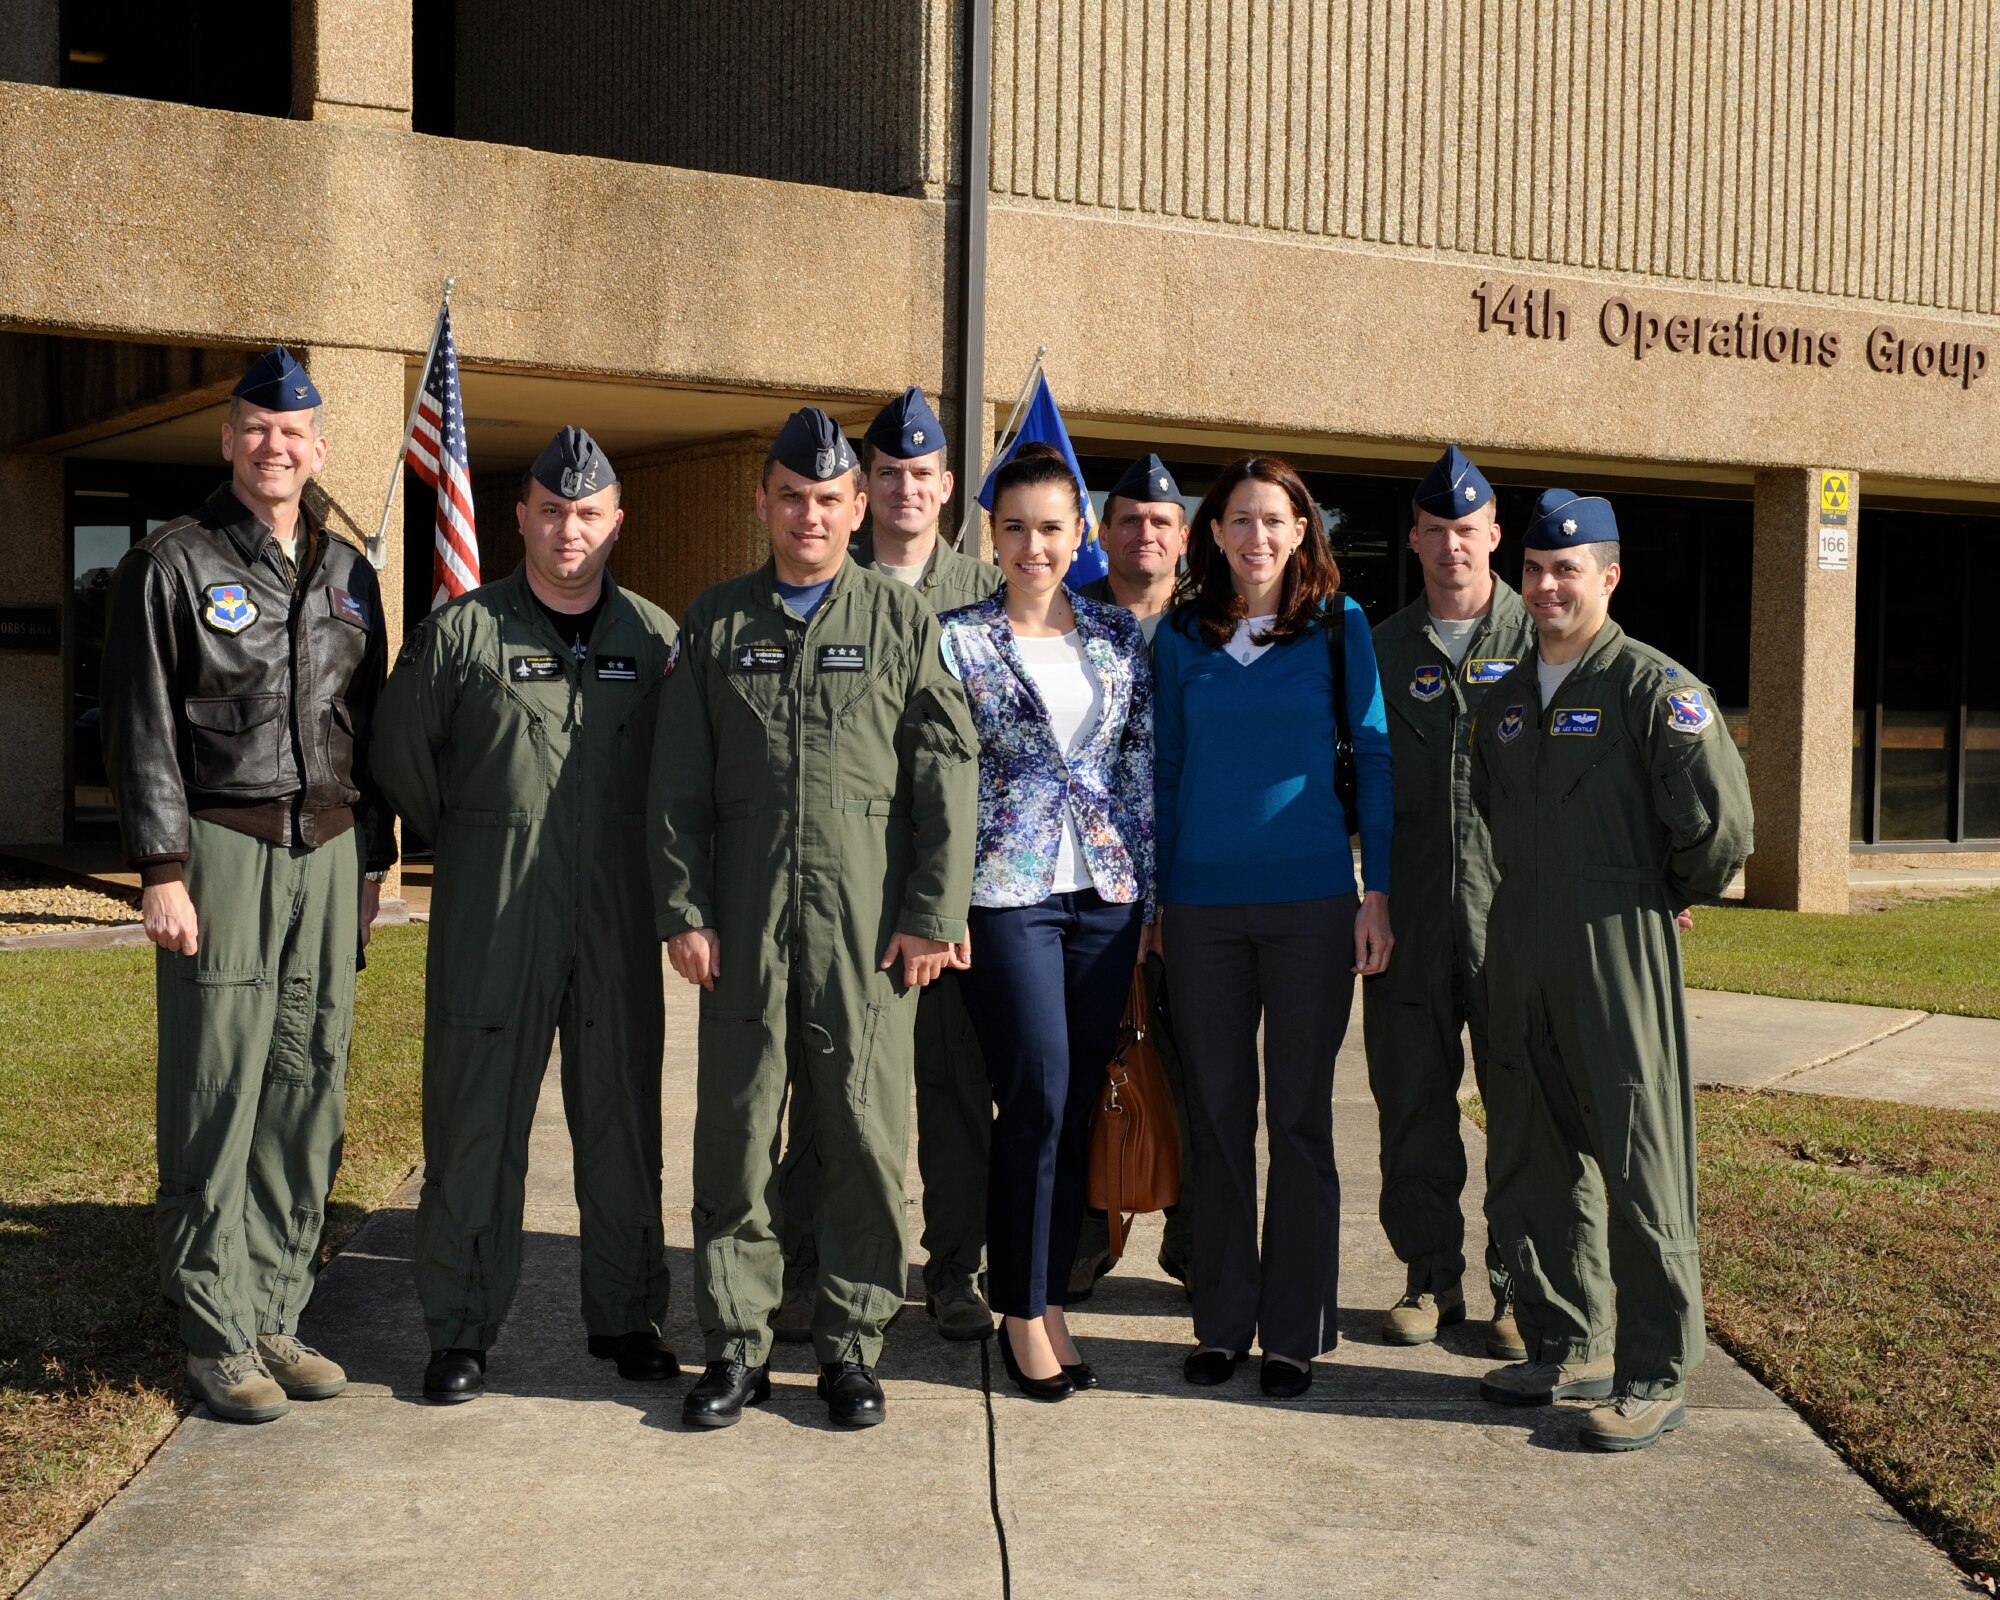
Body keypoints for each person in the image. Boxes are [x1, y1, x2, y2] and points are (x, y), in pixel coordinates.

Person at [650, 406, 977, 1430]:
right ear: (763, 504)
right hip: (743, 923)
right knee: (738, 1135)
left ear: (854, 506)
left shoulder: (896, 619)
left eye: (827, 498)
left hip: (864, 928)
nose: (808, 514)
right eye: (789, 497)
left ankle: (848, 1345)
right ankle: (737, 1346)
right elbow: (676, 785)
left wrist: (932, 911)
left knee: (864, 1139)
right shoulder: (715, 621)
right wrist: (684, 908)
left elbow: (944, 766)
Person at [100, 347, 394, 1424]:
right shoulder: (170, 563)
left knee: (305, 1081)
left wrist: (373, 858)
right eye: (256, 428)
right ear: (229, 438)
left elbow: (372, 724)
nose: (276, 446)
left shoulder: (349, 571)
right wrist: (162, 871)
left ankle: (276, 1302)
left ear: (319, 445)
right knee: (219, 1087)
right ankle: (215, 1328)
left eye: (296, 431)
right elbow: (141, 727)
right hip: (222, 847)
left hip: (327, 851)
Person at [371, 428, 679, 1404]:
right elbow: (399, 752)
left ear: (616, 521)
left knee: (623, 1119)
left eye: (587, 512)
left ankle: (627, 1314)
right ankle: (460, 1329)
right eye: (551, 509)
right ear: (520, 517)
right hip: (492, 920)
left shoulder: (656, 641)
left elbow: (685, 777)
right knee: (474, 1120)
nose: (568, 529)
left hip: (617, 923)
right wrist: (476, 837)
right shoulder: (464, 633)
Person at [1470, 489, 1752, 1451]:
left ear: (1610, 576)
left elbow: (1720, 831)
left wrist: (1648, 895)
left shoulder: (1650, 688)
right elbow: (1492, 812)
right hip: (1520, 942)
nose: (1549, 585)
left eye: (1569, 570)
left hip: (1616, 940)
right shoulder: (1505, 701)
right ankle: (1562, 1338)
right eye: (1538, 570)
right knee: (1533, 1152)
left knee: (1639, 1152)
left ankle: (1654, 1369)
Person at [1153, 454, 1394, 1400]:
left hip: (1311, 907)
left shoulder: (1340, 629)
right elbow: (1165, 771)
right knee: (1215, 1120)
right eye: (1240, 520)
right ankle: (1221, 1320)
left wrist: (1375, 892)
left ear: (1303, 533)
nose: (1257, 537)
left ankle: (1294, 1330)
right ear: (1212, 533)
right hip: (1202, 911)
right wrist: (1158, 903)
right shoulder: (1178, 635)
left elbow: (1373, 756)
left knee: (1298, 1120)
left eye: (1275, 521)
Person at [773, 386, 1001, 1346]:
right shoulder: (820, 583)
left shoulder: (987, 599)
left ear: (948, 486)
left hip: (953, 895)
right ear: (861, 488)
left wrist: (947, 903)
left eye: (922, 474)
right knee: (829, 1090)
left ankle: (955, 1270)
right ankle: (805, 1264)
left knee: (952, 1093)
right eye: (888, 474)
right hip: (845, 896)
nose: (905, 488)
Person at [937, 444, 1153, 1401]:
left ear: (1082, 537)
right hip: (1006, 892)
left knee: (1071, 1106)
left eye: (1051, 527)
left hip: (1103, 897)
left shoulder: (1117, 637)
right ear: (993, 535)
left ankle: (1049, 1293)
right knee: (1036, 1090)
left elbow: (1137, 770)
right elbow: (935, 779)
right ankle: (1018, 1307)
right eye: (1015, 527)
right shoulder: (956, 639)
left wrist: (1146, 898)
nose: (1034, 545)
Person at [1363, 446, 1536, 1359]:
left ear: (1494, 534)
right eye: (1435, 531)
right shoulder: (1382, 647)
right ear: (1416, 539)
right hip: (1412, 917)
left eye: (1467, 529)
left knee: (1520, 1103)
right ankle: (1430, 1279)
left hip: (1515, 920)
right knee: (1413, 1102)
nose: (1451, 546)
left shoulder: (1546, 638)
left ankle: (1518, 1288)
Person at [1067, 451, 1195, 1301]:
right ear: (1102, 533)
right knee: (1084, 1064)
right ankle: (1081, 1239)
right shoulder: (1064, 624)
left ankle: (1196, 1245)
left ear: (1184, 538)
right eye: (1128, 519)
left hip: (1197, 887)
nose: (1144, 532)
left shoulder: (1215, 628)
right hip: (1087, 887)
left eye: (1161, 520)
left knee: (1201, 1073)